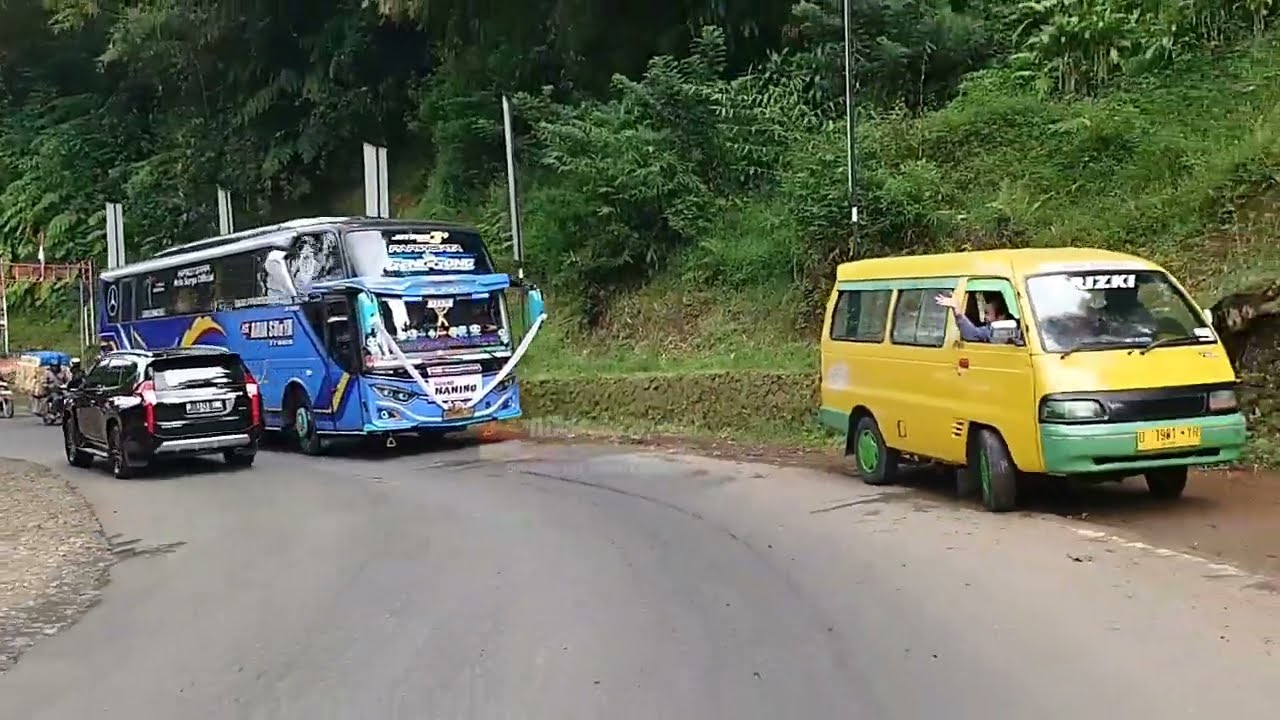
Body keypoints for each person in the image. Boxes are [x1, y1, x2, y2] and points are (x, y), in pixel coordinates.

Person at [934, 291, 1022, 343]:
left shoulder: (1017, 331)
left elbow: (972, 334)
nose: (984, 318)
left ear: (1001, 316)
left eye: (987, 313)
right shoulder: (989, 330)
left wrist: (958, 310)